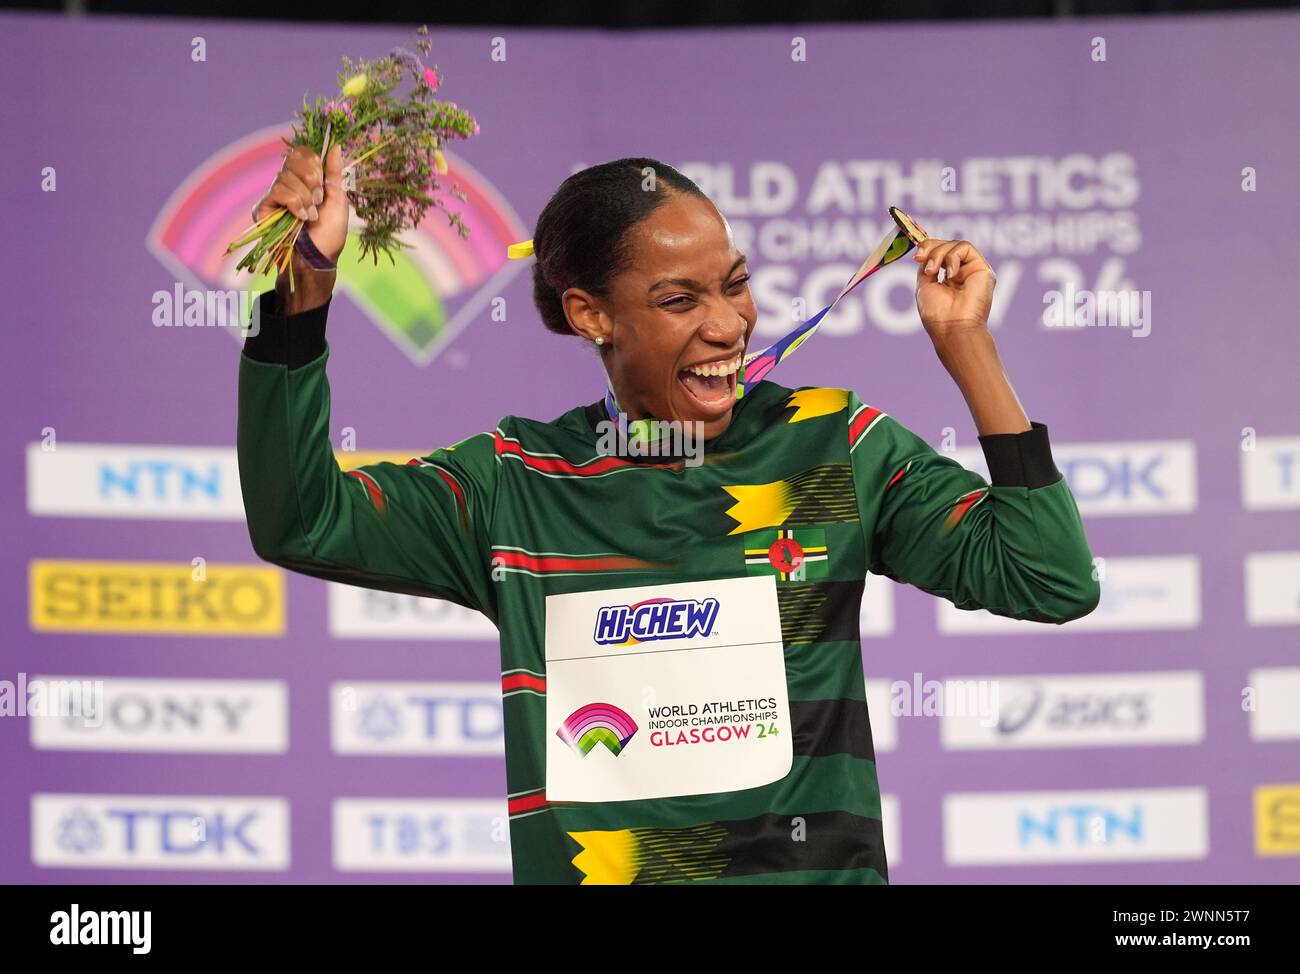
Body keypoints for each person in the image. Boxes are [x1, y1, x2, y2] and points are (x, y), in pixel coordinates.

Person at [238, 147, 1100, 885]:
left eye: (735, 286)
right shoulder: (520, 483)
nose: (728, 324)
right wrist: (297, 304)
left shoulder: (829, 447)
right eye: (682, 301)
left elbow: (1048, 577)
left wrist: (968, 349)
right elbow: (303, 517)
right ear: (592, 315)